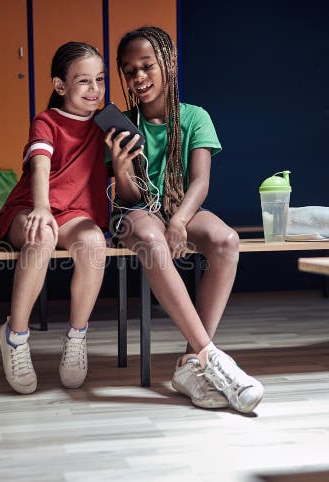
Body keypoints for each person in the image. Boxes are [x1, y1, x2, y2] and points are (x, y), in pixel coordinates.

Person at [107, 26, 264, 413]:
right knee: (151, 235)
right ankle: (210, 357)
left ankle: (189, 363)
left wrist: (177, 221)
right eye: (129, 71)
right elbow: (128, 199)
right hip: (135, 215)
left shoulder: (195, 117)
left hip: (180, 207)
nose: (139, 78)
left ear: (169, 64)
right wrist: (120, 168)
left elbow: (200, 182)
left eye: (147, 66)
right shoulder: (122, 125)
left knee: (226, 239)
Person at [0, 42, 109, 394]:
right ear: (60, 86)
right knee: (41, 235)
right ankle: (15, 336)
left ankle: (77, 337)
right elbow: (40, 163)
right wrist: (42, 209)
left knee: (93, 243)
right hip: (30, 207)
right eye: (84, 82)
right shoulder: (47, 121)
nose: (94, 90)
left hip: (75, 214)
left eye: (100, 80)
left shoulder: (107, 123)